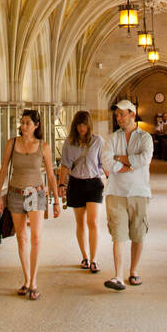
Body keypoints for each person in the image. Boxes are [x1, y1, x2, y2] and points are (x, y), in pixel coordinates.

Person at [0, 109, 61, 300]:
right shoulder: (12, 143)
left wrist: (56, 201)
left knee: (36, 238)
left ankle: (33, 281)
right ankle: (26, 280)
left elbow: (50, 175)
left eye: (27, 123)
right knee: (21, 237)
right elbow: (3, 169)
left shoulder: (44, 146)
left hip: (36, 194)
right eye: (22, 123)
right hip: (15, 194)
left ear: (36, 125)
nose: (24, 127)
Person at [101, 100, 153, 290]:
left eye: (122, 114)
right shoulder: (112, 138)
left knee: (138, 234)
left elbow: (145, 158)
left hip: (139, 191)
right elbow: (106, 161)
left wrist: (121, 159)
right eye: (117, 115)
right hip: (116, 192)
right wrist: (125, 165)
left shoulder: (145, 137)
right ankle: (118, 276)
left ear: (132, 114)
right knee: (118, 234)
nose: (119, 118)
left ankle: (134, 271)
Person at [57, 110, 107, 273]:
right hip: (76, 183)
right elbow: (65, 165)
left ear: (89, 125)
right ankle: (84, 256)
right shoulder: (68, 143)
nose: (81, 128)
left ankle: (94, 259)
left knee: (93, 221)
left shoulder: (98, 141)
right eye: (79, 125)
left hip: (93, 183)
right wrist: (61, 185)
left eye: (84, 124)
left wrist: (111, 179)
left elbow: (103, 163)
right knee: (80, 222)